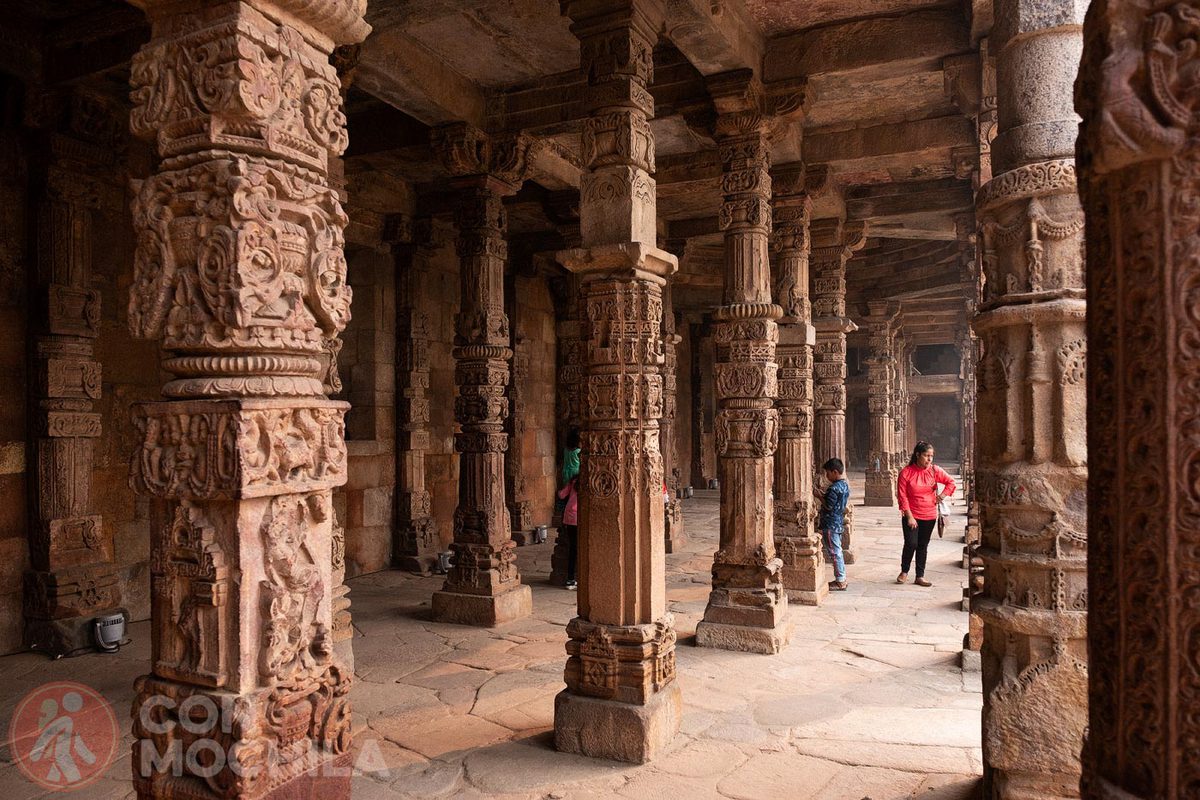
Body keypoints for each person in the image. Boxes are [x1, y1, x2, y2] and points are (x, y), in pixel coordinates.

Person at [896, 441, 956, 587]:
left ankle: (920, 576)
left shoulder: (935, 471)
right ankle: (904, 571)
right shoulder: (906, 473)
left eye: (931, 456)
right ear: (918, 455)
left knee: (923, 545)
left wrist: (941, 496)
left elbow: (951, 483)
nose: (929, 459)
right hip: (912, 514)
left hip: (929, 515)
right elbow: (902, 496)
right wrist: (909, 516)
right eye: (926, 455)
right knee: (911, 543)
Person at [817, 458, 851, 591]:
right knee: (837, 551)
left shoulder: (834, 488)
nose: (826, 476)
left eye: (828, 473)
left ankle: (840, 580)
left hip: (830, 524)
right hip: (838, 522)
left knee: (834, 552)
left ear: (835, 472)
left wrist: (820, 496)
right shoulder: (844, 485)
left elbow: (829, 506)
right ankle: (841, 578)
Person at [557, 429, 581, 590]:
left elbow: (561, 494)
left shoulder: (566, 450)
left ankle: (571, 578)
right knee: (579, 547)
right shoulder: (583, 483)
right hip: (580, 517)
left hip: (569, 516)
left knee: (573, 547)